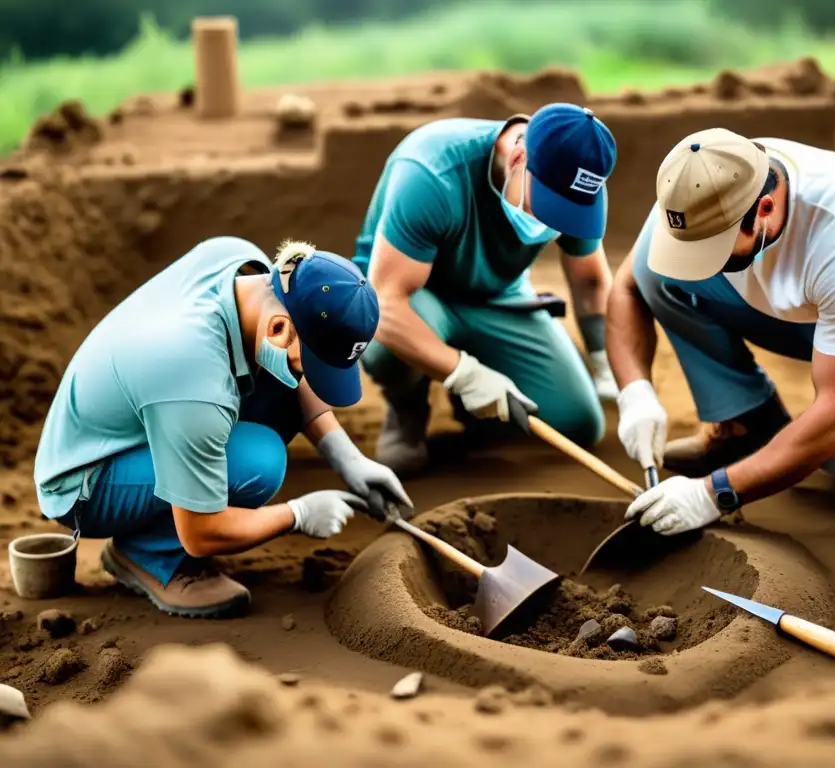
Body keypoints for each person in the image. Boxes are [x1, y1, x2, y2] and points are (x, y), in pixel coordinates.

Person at [608, 128, 835, 535]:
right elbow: (628, 286)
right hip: (804, 305)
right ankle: (745, 425)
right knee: (655, 274)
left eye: (715, 249)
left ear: (763, 209)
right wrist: (634, 392)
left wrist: (714, 493)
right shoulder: (697, 189)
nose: (701, 262)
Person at [33, 236, 414, 618]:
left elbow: (292, 382)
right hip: (87, 478)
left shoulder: (245, 267)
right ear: (281, 328)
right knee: (258, 463)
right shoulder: (194, 378)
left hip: (144, 411)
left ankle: (159, 526)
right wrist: (298, 514)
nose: (307, 378)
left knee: (275, 383)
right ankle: (149, 554)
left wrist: (346, 457)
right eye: (308, 366)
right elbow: (203, 534)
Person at [353, 103, 619, 475]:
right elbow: (386, 300)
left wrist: (608, 367)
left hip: (499, 298)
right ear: (518, 156)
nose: (552, 220)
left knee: (578, 421)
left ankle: (472, 407)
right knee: (384, 345)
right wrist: (466, 375)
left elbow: (590, 281)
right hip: (417, 295)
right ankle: (407, 407)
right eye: (545, 205)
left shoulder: (578, 180)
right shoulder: (432, 172)